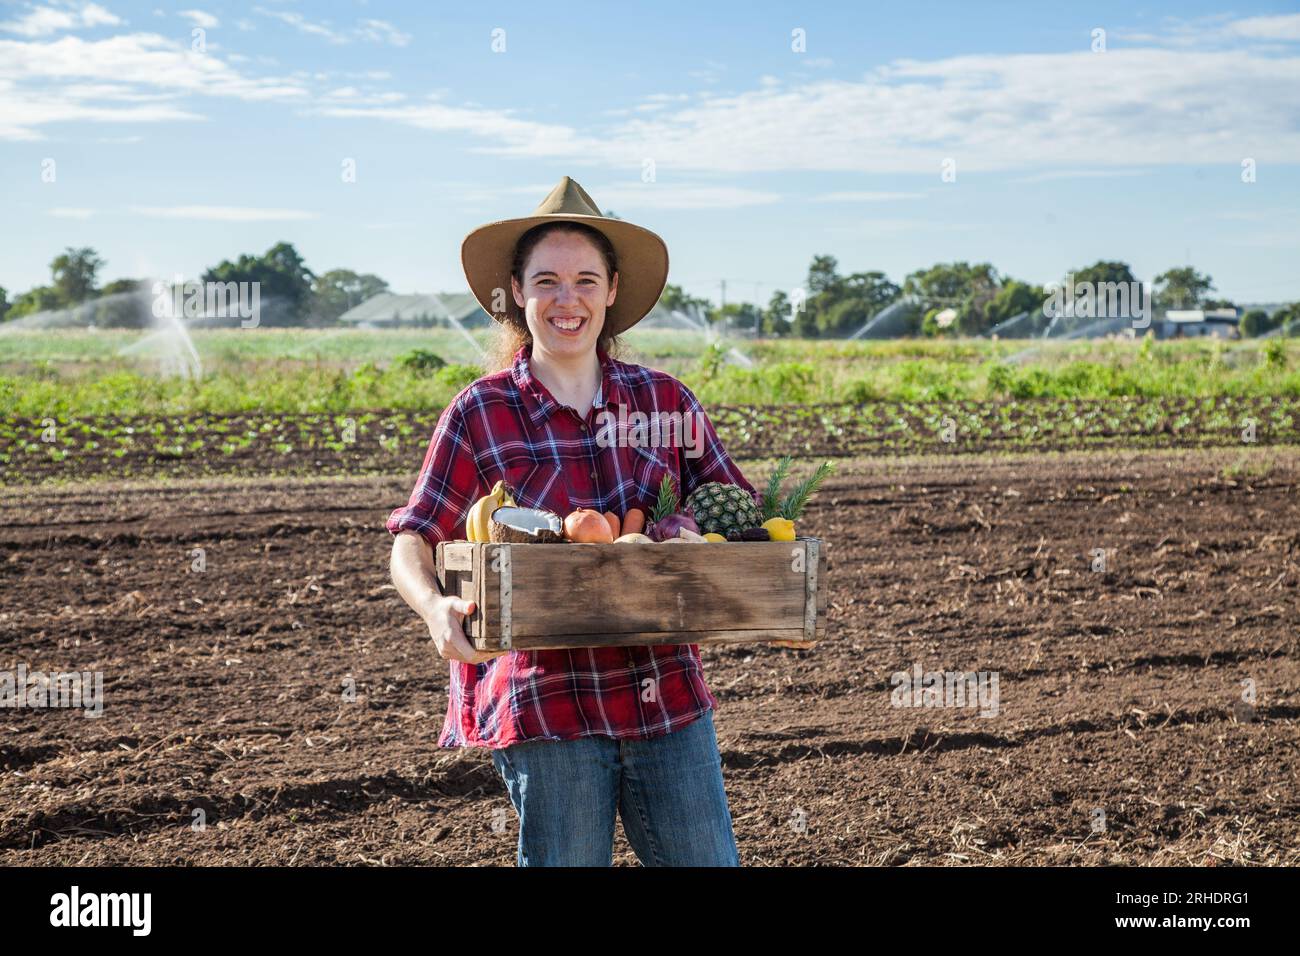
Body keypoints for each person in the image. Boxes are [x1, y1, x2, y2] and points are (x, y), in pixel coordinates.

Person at [387, 177, 756, 866]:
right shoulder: (480, 413)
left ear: (612, 290)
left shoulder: (665, 401)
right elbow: (415, 536)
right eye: (547, 280)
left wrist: (763, 570)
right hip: (544, 701)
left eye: (586, 279)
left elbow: (735, 511)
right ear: (516, 293)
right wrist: (435, 607)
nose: (567, 299)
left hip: (665, 695)